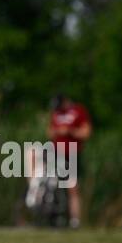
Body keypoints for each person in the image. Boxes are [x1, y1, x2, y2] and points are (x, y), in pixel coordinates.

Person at [48, 94, 93, 228]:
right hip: (56, 153)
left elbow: (87, 132)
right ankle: (53, 217)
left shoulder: (78, 111)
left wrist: (70, 131)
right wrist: (58, 131)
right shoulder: (56, 114)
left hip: (72, 153)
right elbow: (50, 132)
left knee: (72, 187)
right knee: (53, 185)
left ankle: (74, 220)